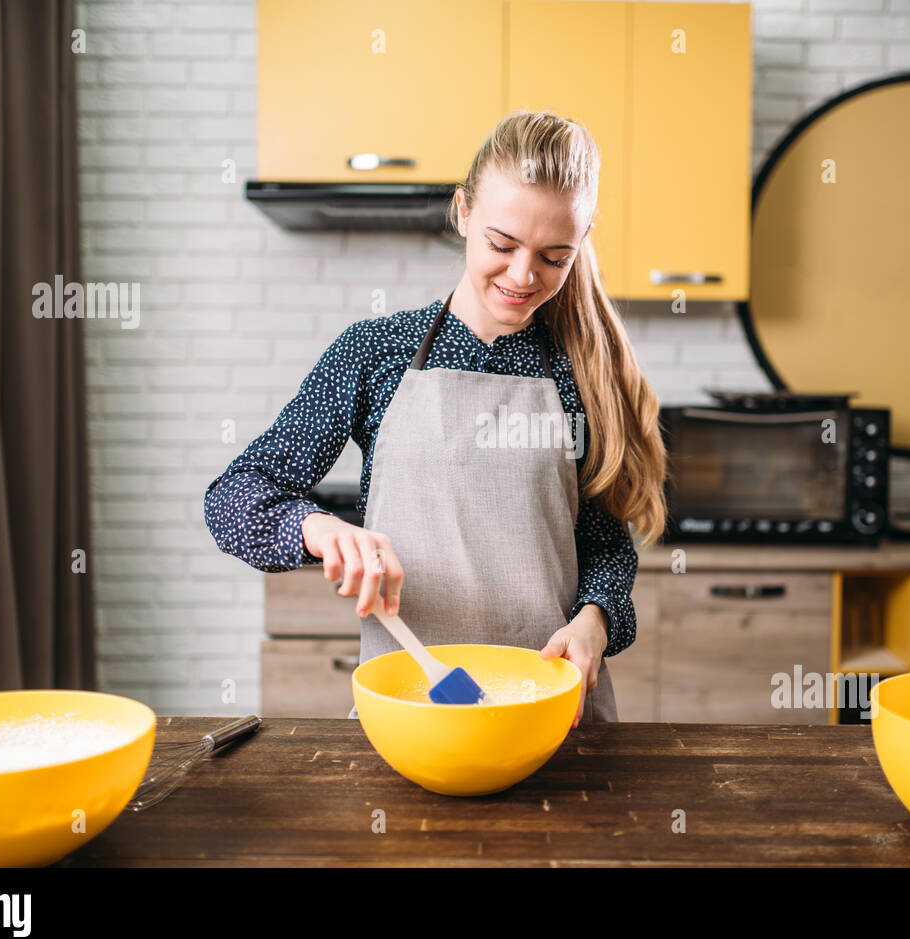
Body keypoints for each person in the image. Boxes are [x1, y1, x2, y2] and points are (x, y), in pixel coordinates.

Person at [205, 110, 667, 725]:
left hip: (555, 717)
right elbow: (233, 498)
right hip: (413, 716)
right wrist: (319, 529)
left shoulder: (584, 372)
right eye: (502, 245)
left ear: (580, 243)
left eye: (554, 257)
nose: (523, 276)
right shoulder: (374, 352)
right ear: (463, 213)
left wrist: (595, 620)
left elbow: (606, 543)